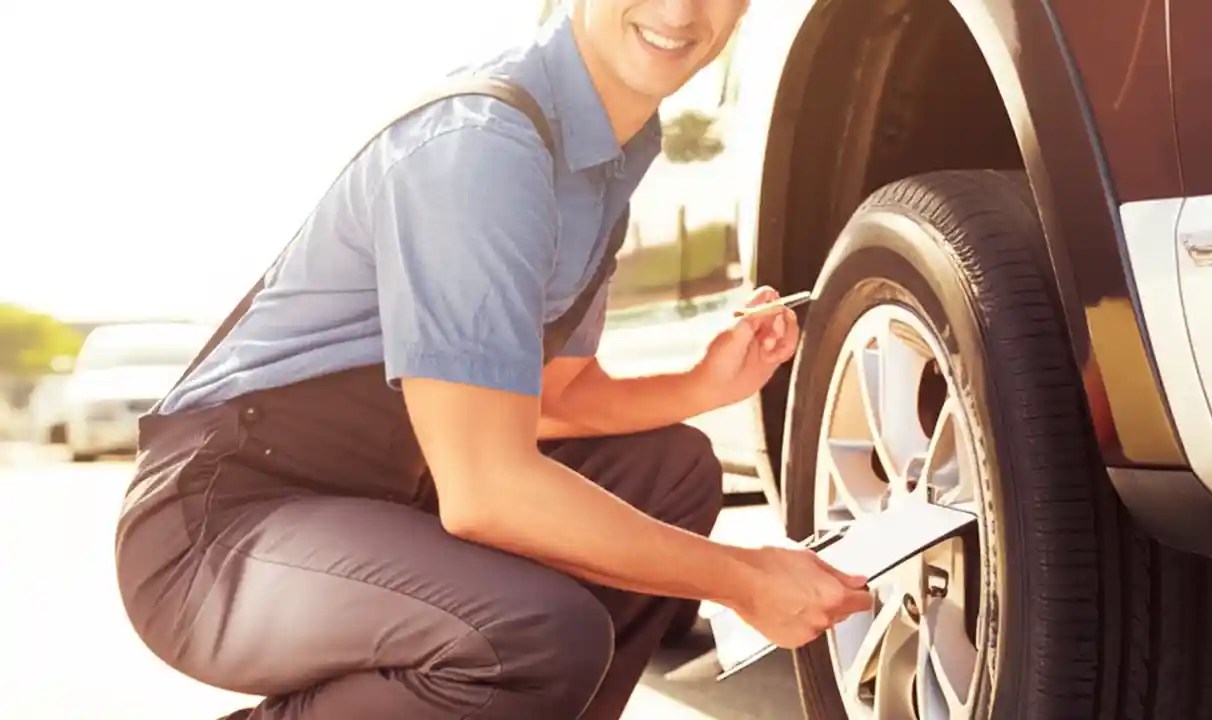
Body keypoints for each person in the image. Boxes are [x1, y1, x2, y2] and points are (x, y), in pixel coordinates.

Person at [113, 1, 873, 718]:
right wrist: (746, 580)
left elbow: (548, 401)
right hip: (221, 530)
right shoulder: (483, 150)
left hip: (378, 498)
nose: (679, 11)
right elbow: (486, 491)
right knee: (531, 636)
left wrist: (705, 384)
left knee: (669, 474)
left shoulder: (610, 150)